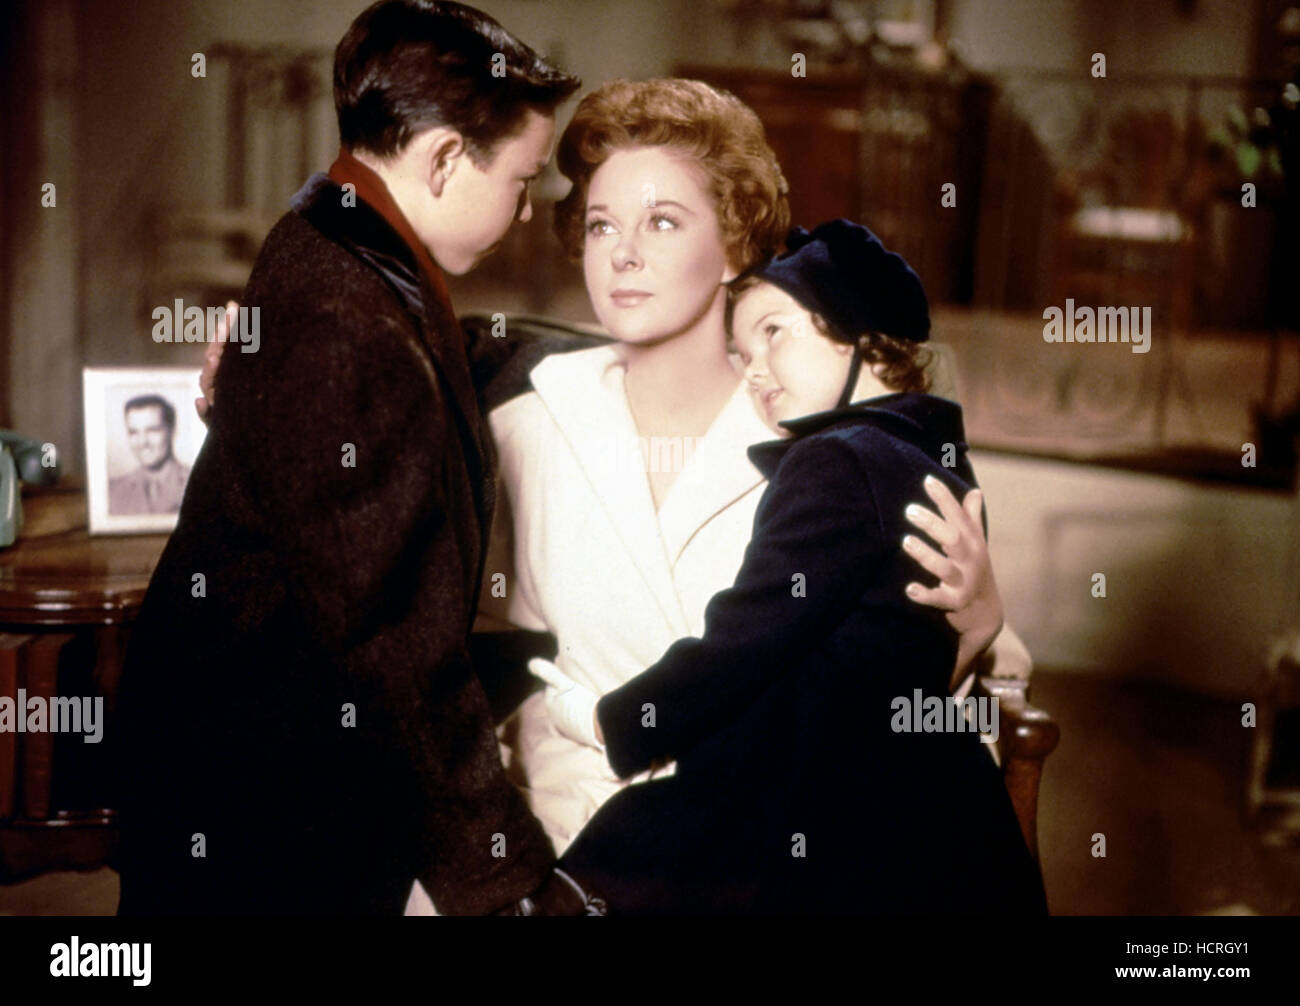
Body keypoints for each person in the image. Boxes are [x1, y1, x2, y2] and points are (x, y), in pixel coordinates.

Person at [113, 0, 600, 915]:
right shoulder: (351, 328)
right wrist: (503, 870)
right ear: (446, 158)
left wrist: (621, 354)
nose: (529, 209)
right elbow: (395, 647)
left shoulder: (339, 232)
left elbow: (447, 348)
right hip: (256, 796)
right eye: (524, 179)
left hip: (233, 752)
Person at [473, 79, 1022, 875]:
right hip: (568, 834)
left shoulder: (835, 446)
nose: (622, 252)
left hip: (771, 848)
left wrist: (981, 631)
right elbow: (448, 637)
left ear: (732, 244)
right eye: (600, 225)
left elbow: (918, 701)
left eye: (662, 221)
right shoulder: (527, 421)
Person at [539, 219, 1047, 913]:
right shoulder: (933, 462)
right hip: (930, 814)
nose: (754, 368)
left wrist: (613, 721)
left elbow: (742, 644)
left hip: (827, 809)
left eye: (775, 332)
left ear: (858, 333)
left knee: (616, 862)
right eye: (743, 351)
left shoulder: (840, 458)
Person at [108, 395, 190, 515]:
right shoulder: (112, 491)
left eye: (153, 430)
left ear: (172, 430)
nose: (142, 442)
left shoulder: (200, 484)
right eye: (133, 432)